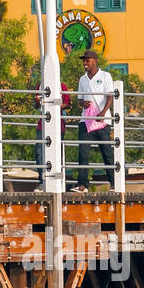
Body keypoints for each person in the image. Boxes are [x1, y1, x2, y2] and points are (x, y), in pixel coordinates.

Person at [73, 49, 114, 192]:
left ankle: (114, 183)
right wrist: (82, 103)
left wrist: (103, 113)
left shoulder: (105, 76)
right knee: (83, 152)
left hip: (102, 120)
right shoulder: (82, 79)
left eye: (87, 60)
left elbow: (110, 96)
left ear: (94, 61)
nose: (85, 63)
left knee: (106, 152)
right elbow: (79, 98)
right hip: (86, 120)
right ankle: (83, 184)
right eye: (84, 60)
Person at [34, 78, 71, 187]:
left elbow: (67, 103)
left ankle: (58, 180)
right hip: (43, 122)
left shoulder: (61, 86)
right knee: (39, 151)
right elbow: (36, 106)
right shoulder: (40, 86)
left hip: (58, 123)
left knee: (58, 153)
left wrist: (53, 104)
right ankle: (42, 180)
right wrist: (37, 101)